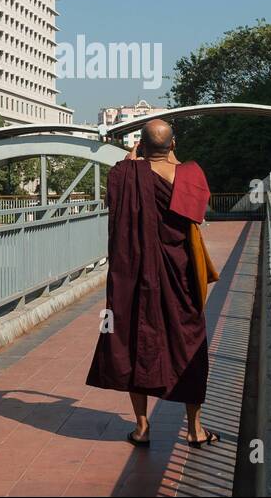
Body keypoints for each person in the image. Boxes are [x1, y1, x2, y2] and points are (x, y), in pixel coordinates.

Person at [85, 119, 219, 448]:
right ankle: (195, 429)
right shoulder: (190, 173)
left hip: (134, 277)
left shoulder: (122, 174)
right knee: (188, 343)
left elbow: (114, 199)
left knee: (135, 339)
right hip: (180, 276)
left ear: (141, 146)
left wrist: (132, 162)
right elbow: (198, 211)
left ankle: (142, 428)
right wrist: (171, 161)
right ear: (173, 145)